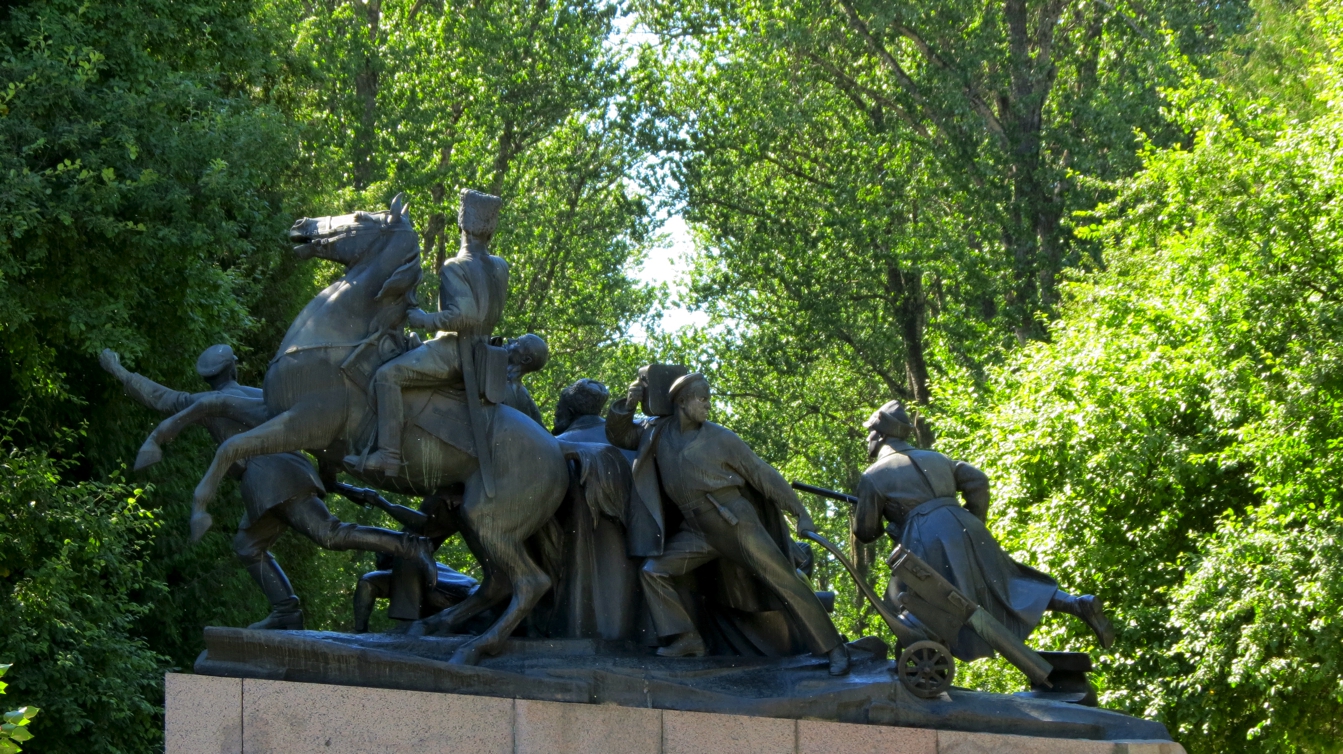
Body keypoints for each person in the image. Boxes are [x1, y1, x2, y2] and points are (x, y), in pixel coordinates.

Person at [100, 346, 435, 630]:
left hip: (273, 480)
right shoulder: (264, 397)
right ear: (233, 368)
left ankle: (409, 546)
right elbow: (312, 428)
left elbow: (158, 397)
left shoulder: (207, 401)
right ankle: (286, 610)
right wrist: (327, 471)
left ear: (207, 378)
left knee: (330, 533)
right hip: (279, 479)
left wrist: (119, 370)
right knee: (248, 545)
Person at [607, 372, 850, 675]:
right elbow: (621, 436)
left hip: (733, 521)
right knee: (653, 572)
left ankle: (834, 649)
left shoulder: (721, 438)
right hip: (696, 529)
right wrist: (628, 405)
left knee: (784, 579)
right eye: (703, 399)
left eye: (709, 399)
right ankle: (687, 638)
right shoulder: (657, 432)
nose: (708, 405)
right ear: (682, 402)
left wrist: (800, 512)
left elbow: (763, 474)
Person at [852, 400, 1116, 660]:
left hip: (927, 539)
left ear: (880, 434)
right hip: (966, 525)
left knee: (903, 600)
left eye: (869, 433)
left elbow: (865, 532)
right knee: (1007, 584)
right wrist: (972, 521)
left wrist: (891, 520)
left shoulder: (873, 475)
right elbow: (978, 480)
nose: (867, 439)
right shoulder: (938, 458)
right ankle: (1076, 603)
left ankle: (923, 664)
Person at [352, 189, 508, 478]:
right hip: (483, 351)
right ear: (490, 230)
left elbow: (465, 316)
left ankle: (388, 455)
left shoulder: (455, 266)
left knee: (388, 375)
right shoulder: (500, 266)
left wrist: (424, 319)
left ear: (462, 225)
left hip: (456, 353)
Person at [339, 485, 479, 632]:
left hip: (434, 575)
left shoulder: (456, 506)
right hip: (414, 565)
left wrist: (379, 501)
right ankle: (360, 631)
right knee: (371, 581)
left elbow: (422, 524)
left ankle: (364, 631)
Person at [499, 333, 548, 428]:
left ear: (525, 359)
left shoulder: (523, 398)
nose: (510, 340)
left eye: (517, 343)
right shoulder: (524, 395)